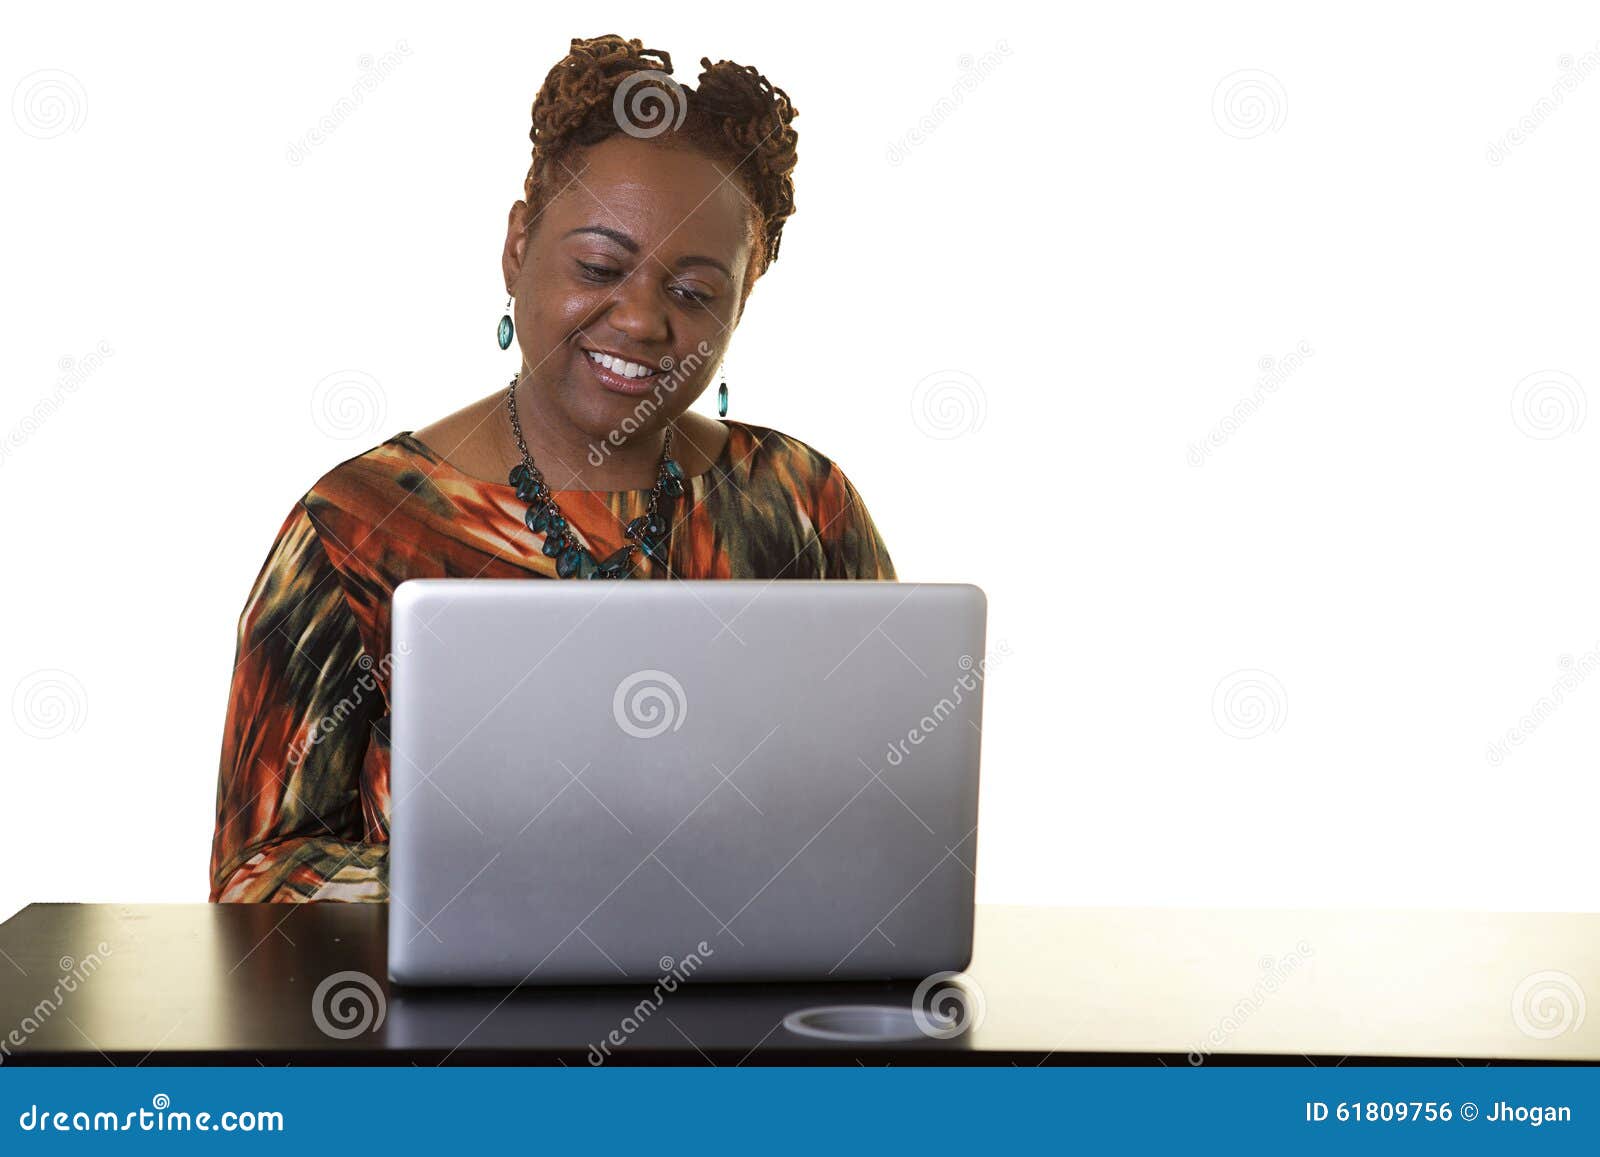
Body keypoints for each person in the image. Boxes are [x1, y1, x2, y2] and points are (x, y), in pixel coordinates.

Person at [208, 34, 896, 903]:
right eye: (600, 267)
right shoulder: (355, 527)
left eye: (694, 292)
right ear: (518, 245)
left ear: (744, 297)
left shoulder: (805, 506)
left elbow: (893, 830)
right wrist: (536, 887)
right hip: (450, 1035)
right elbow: (254, 879)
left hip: (746, 1026)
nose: (642, 319)